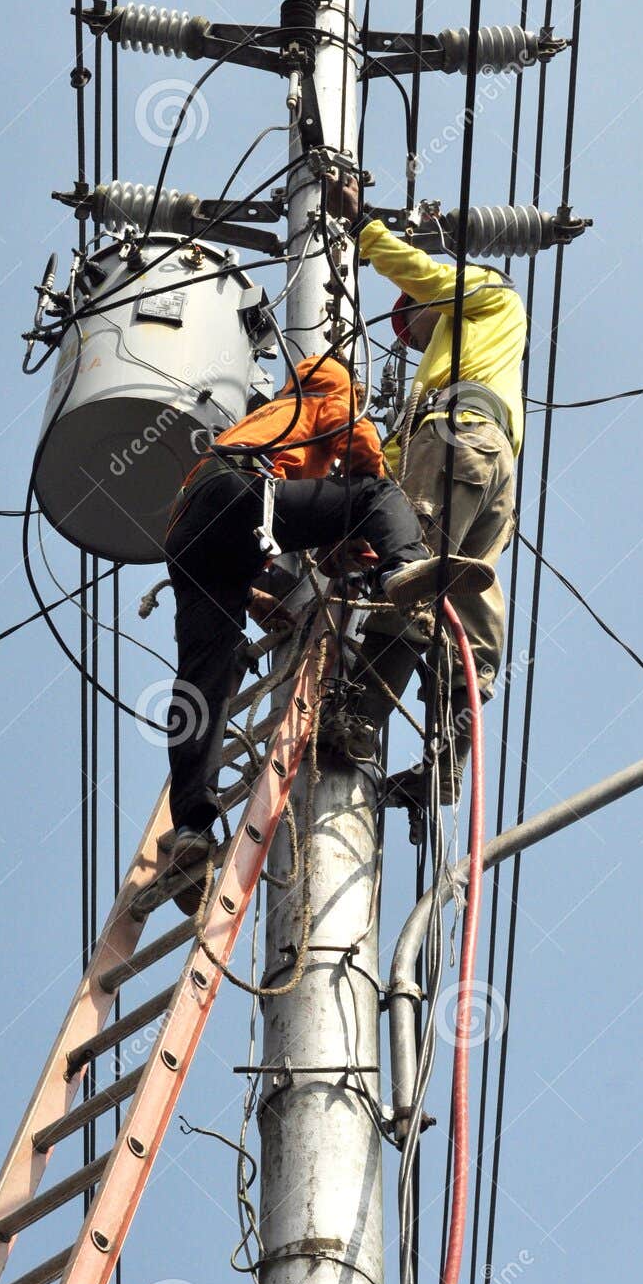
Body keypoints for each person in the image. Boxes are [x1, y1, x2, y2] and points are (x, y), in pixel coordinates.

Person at [160, 348, 493, 904]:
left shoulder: (264, 421)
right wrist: (377, 515)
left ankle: (192, 826)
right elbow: (356, 445)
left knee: (204, 678)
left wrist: (260, 596)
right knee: (376, 496)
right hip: (244, 493)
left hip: (190, 535)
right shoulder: (323, 391)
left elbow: (244, 534)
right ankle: (402, 567)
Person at [323, 172, 525, 803]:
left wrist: (362, 227)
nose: (413, 339)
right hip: (492, 465)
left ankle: (357, 723)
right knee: (466, 610)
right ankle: (446, 762)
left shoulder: (488, 293)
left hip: (459, 437)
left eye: (416, 322)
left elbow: (431, 278)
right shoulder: (458, 370)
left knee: (411, 572)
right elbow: (391, 457)